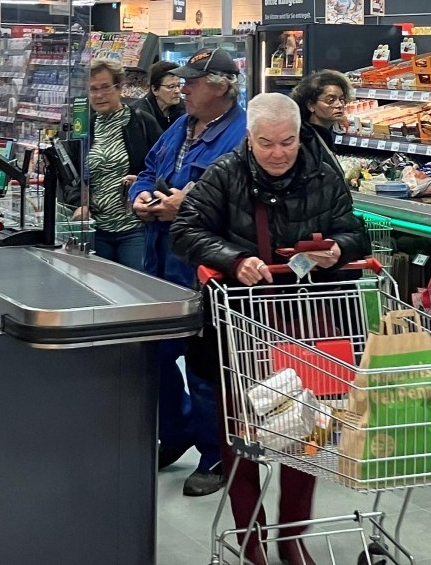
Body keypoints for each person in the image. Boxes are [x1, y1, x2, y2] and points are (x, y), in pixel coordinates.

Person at [171, 92, 369, 565]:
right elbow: (186, 231)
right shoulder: (223, 174)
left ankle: (291, 537)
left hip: (309, 321)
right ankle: (251, 538)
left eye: (288, 142)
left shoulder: (324, 173)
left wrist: (337, 250)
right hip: (240, 325)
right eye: (266, 143)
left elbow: (354, 229)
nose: (279, 153)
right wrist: (234, 260)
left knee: (307, 431)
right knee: (244, 437)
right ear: (249, 138)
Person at [129, 47, 248, 498]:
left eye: (193, 82)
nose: (184, 88)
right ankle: (176, 431)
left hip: (204, 268)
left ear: (220, 88)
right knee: (156, 356)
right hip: (159, 260)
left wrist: (186, 206)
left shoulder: (241, 134)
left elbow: (236, 203)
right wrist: (140, 196)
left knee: (205, 367)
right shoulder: (181, 126)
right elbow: (146, 171)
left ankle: (215, 453)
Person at [79, 59, 161, 267]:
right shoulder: (84, 129)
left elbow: (162, 167)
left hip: (134, 228)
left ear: (119, 87)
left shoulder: (142, 122)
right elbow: (73, 175)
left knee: (137, 290)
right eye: (93, 89)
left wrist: (143, 183)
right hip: (96, 229)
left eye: (105, 87)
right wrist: (80, 203)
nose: (99, 95)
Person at [288, 69, 352, 155]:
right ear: (310, 105)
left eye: (342, 99)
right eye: (330, 100)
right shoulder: (306, 141)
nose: (339, 105)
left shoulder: (324, 133)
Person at [133, 61, 184, 131]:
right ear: (155, 90)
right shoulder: (138, 114)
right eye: (171, 87)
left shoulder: (185, 109)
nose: (177, 91)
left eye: (178, 85)